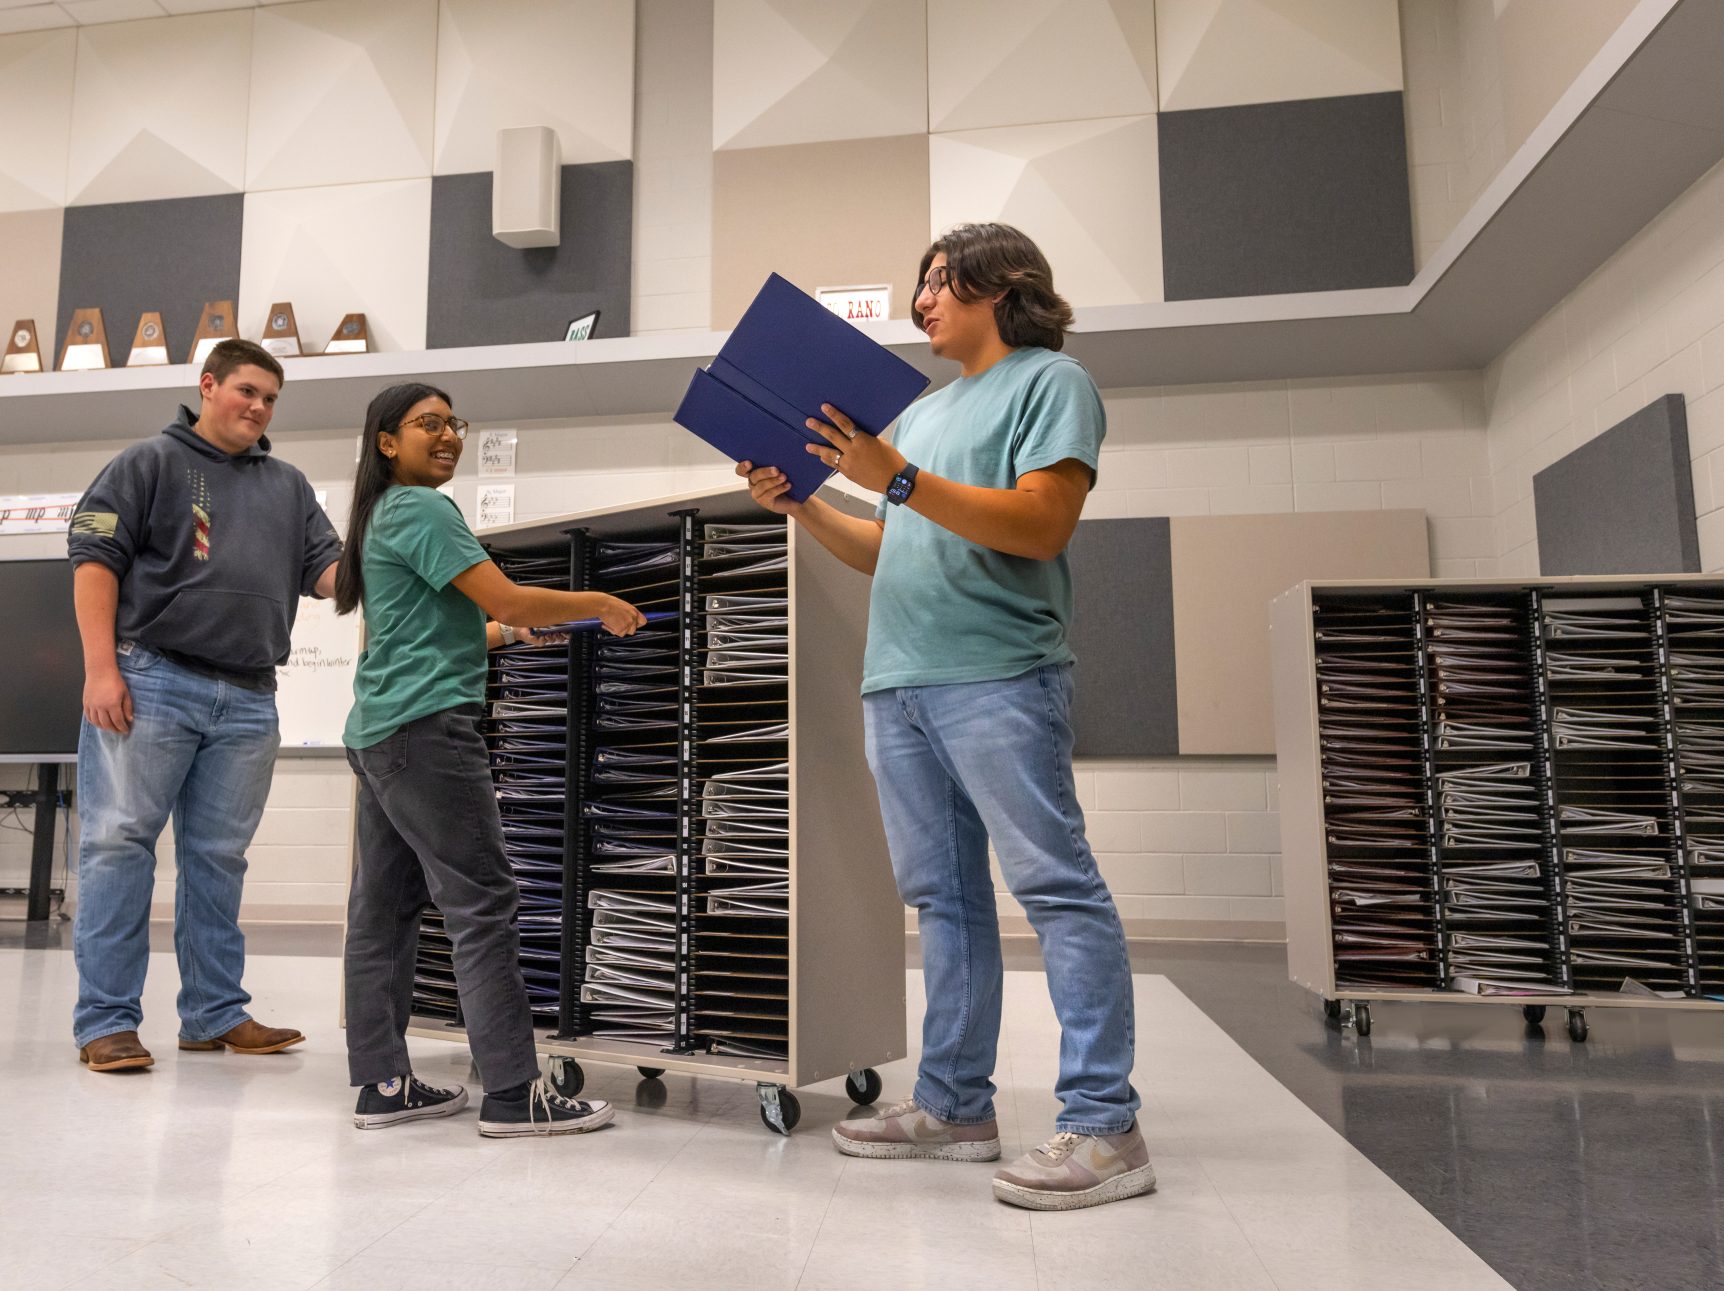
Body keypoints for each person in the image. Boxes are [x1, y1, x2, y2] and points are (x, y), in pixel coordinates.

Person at [736, 223, 1151, 1211]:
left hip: (998, 676)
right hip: (900, 684)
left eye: (936, 281)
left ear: (999, 286)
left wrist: (900, 479)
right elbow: (891, 548)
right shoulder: (918, 416)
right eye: (917, 282)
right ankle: (956, 1105)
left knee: (1054, 887)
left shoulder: (1053, 383)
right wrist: (800, 503)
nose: (919, 299)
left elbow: (1042, 521)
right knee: (944, 901)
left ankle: (1104, 1125)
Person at [333, 381, 645, 1137]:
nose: (447, 436)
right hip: (427, 735)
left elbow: (432, 634)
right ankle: (513, 1092)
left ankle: (383, 1081)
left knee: (382, 912)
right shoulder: (422, 507)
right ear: (387, 440)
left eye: (454, 424)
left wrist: (503, 638)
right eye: (427, 424)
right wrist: (595, 603)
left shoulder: (380, 516)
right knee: (484, 904)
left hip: (378, 731)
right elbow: (505, 597)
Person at [69, 338, 341, 1073]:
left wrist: (403, 545)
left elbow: (330, 574)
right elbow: (93, 562)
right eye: (247, 390)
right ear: (209, 385)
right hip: (152, 678)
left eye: (271, 398)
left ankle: (214, 1013)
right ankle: (106, 1022)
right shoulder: (148, 463)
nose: (259, 406)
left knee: (218, 858)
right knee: (117, 845)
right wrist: (101, 669)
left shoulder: (288, 485)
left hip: (250, 696)